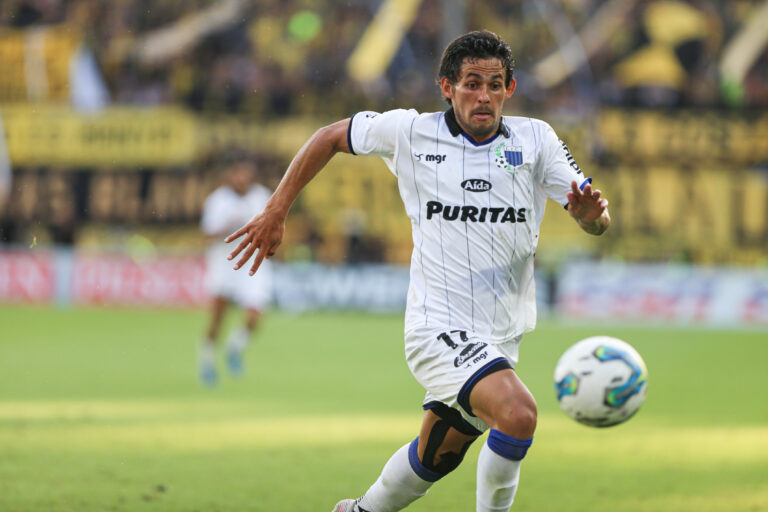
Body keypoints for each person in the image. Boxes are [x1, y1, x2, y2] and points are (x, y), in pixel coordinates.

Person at [226, 31, 610, 512]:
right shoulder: (409, 131)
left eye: (495, 85)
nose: (484, 96)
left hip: (501, 335)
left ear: (509, 89)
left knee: (437, 455)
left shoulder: (537, 140)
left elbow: (596, 219)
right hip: (437, 327)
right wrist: (276, 209)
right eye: (472, 83)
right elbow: (329, 137)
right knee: (517, 414)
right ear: (447, 87)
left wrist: (591, 218)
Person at [198, 155, 273, 385]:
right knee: (218, 317)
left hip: (252, 261)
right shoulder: (218, 200)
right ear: (229, 174)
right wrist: (230, 225)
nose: (243, 178)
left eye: (246, 173)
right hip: (225, 262)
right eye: (238, 172)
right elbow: (207, 235)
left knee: (256, 314)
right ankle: (207, 361)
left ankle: (235, 347)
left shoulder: (261, 196)